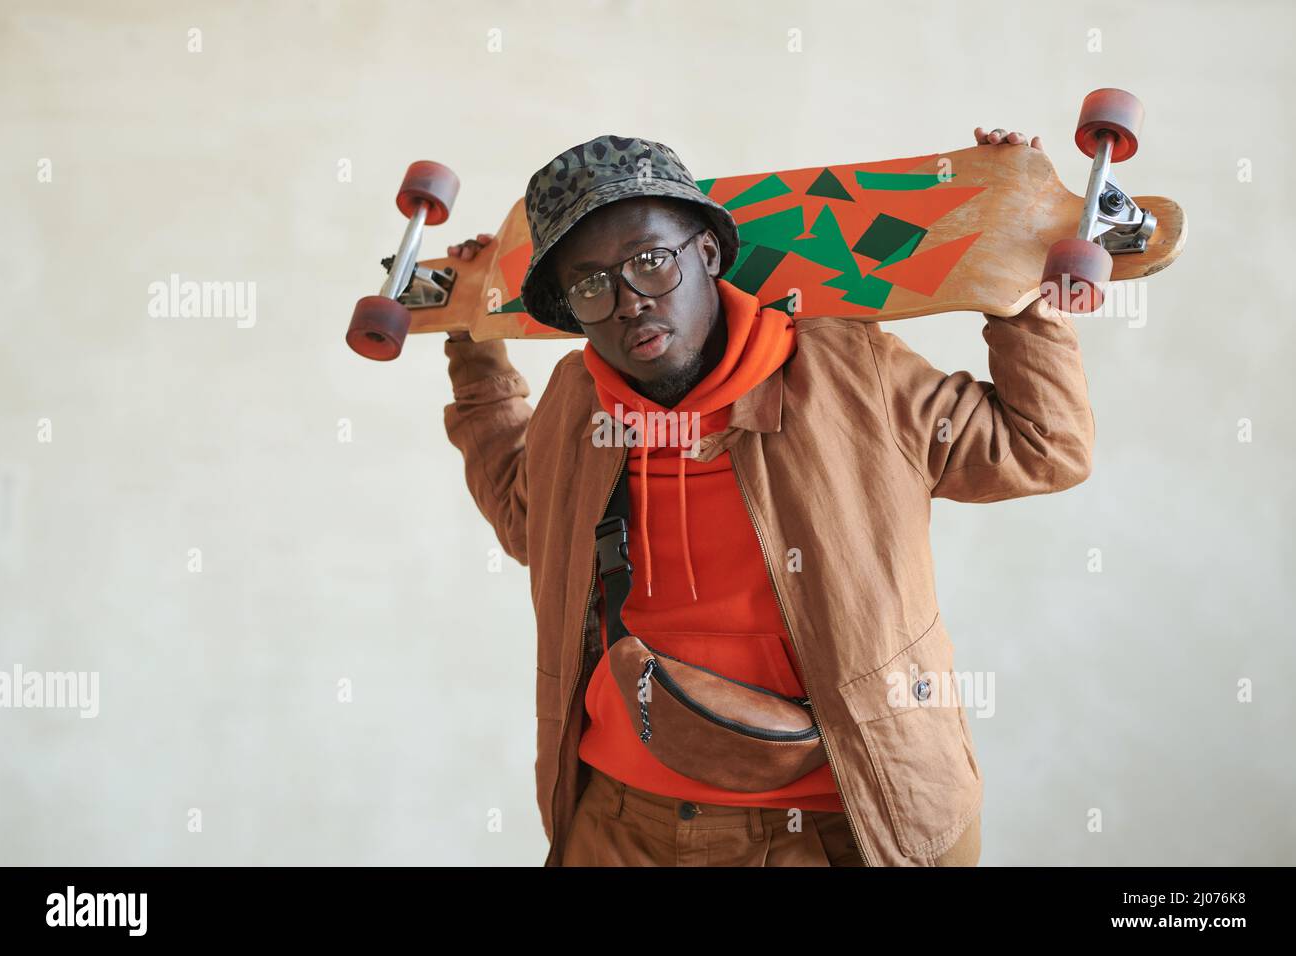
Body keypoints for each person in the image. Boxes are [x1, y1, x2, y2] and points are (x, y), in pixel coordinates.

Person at [442, 128, 1089, 866]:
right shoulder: (576, 400)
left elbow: (1045, 447)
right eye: (592, 285)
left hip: (837, 821)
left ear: (709, 255)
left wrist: (1012, 286)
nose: (627, 302)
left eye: (651, 262)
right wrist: (472, 347)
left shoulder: (851, 373)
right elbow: (529, 523)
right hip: (619, 822)